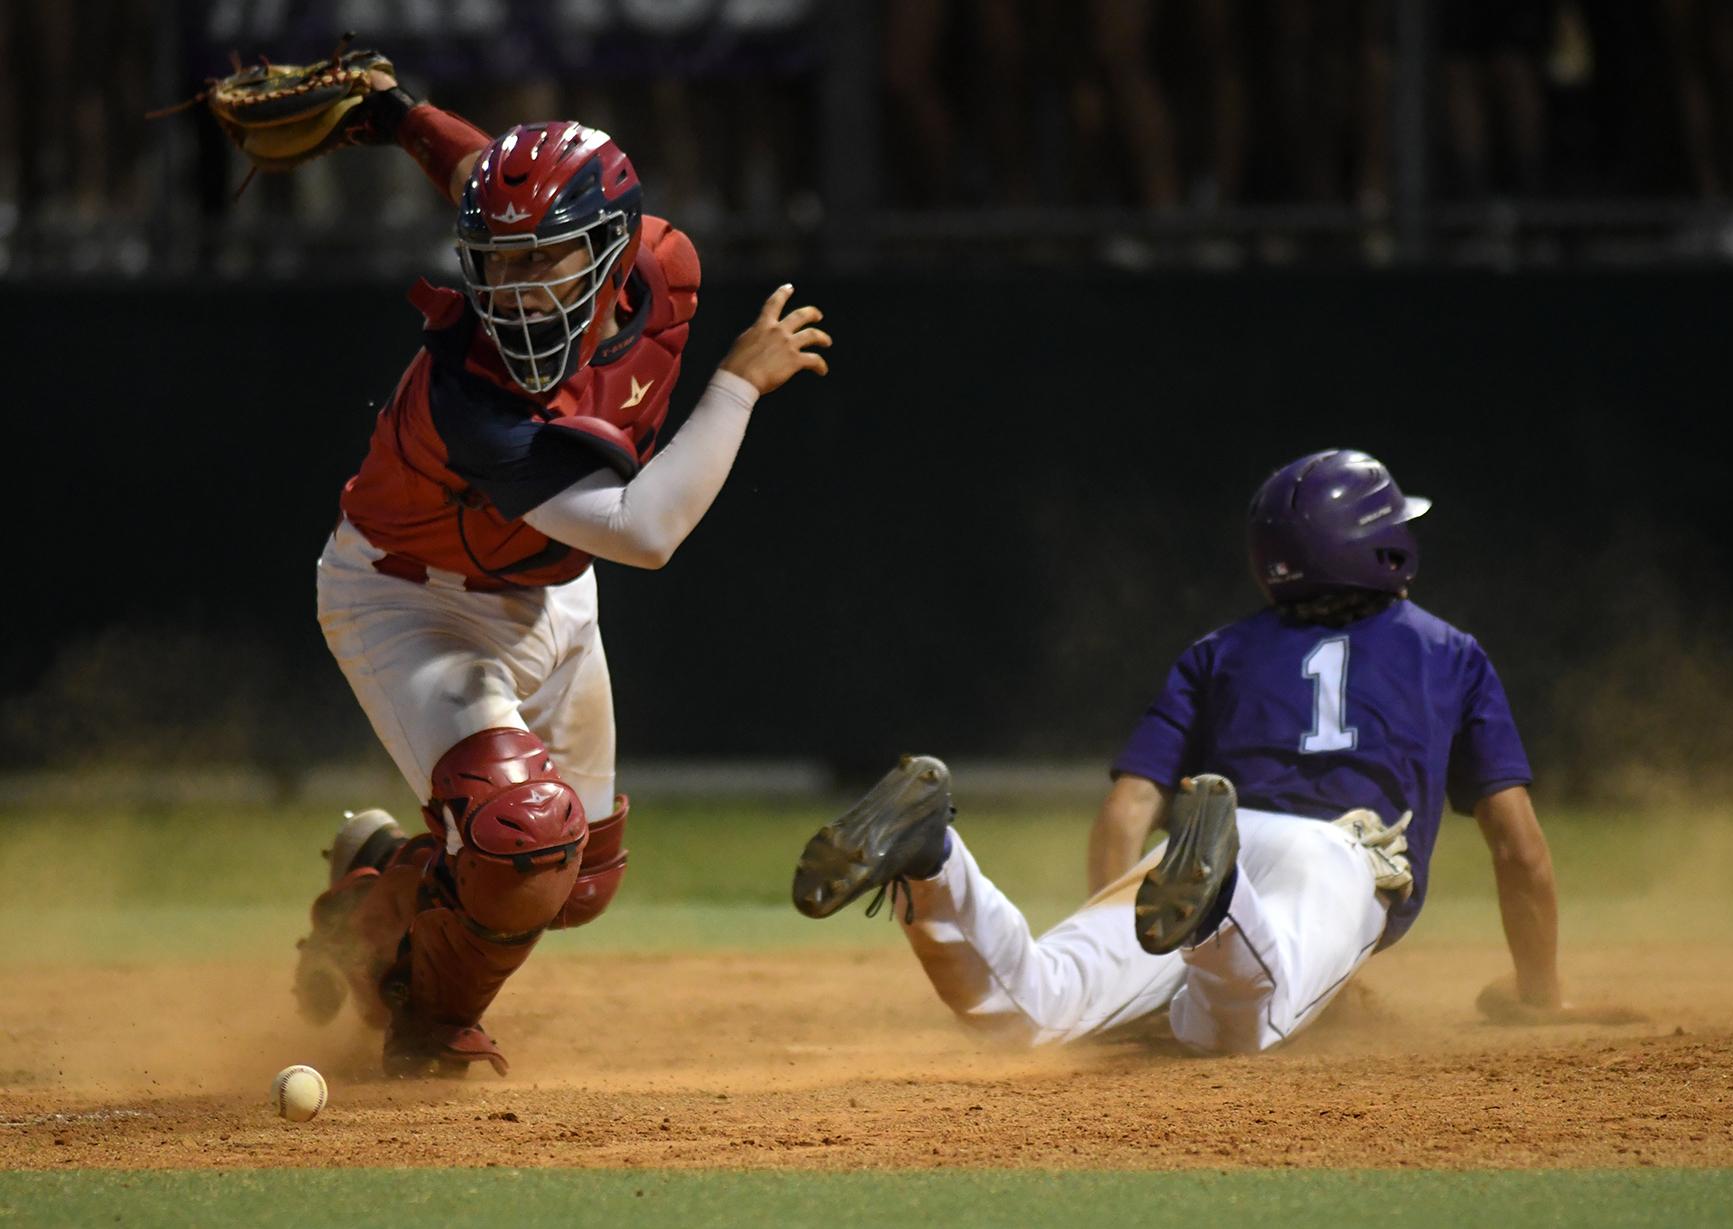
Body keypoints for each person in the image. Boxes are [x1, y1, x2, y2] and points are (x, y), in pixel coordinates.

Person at [291, 70, 831, 1077]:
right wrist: (738, 385)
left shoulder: (662, 261)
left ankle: (374, 891)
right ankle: (429, 1030)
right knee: (522, 840)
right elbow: (644, 528)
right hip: (409, 598)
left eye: (545, 260)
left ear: (614, 249)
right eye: (497, 266)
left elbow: (488, 174)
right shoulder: (470, 392)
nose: (516, 290)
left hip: (545, 587)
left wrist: (408, 117)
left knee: (574, 881)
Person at [793, 449, 1633, 1051]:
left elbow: (1126, 810)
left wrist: (1130, 946)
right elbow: (1518, 846)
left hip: (1214, 826)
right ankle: (1217, 900)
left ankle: (934, 857)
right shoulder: (1450, 651)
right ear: (1386, 549)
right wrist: (1538, 994)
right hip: (1335, 858)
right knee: (1241, 1027)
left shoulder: (1218, 650)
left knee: (1031, 1010)